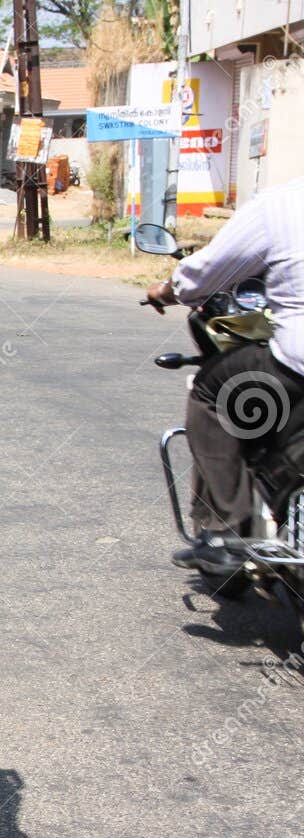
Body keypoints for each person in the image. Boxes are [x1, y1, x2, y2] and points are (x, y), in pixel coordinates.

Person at [146, 177, 304, 578]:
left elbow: (206, 273)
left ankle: (228, 533)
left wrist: (166, 290)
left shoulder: (282, 204)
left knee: (211, 390)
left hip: (297, 364)